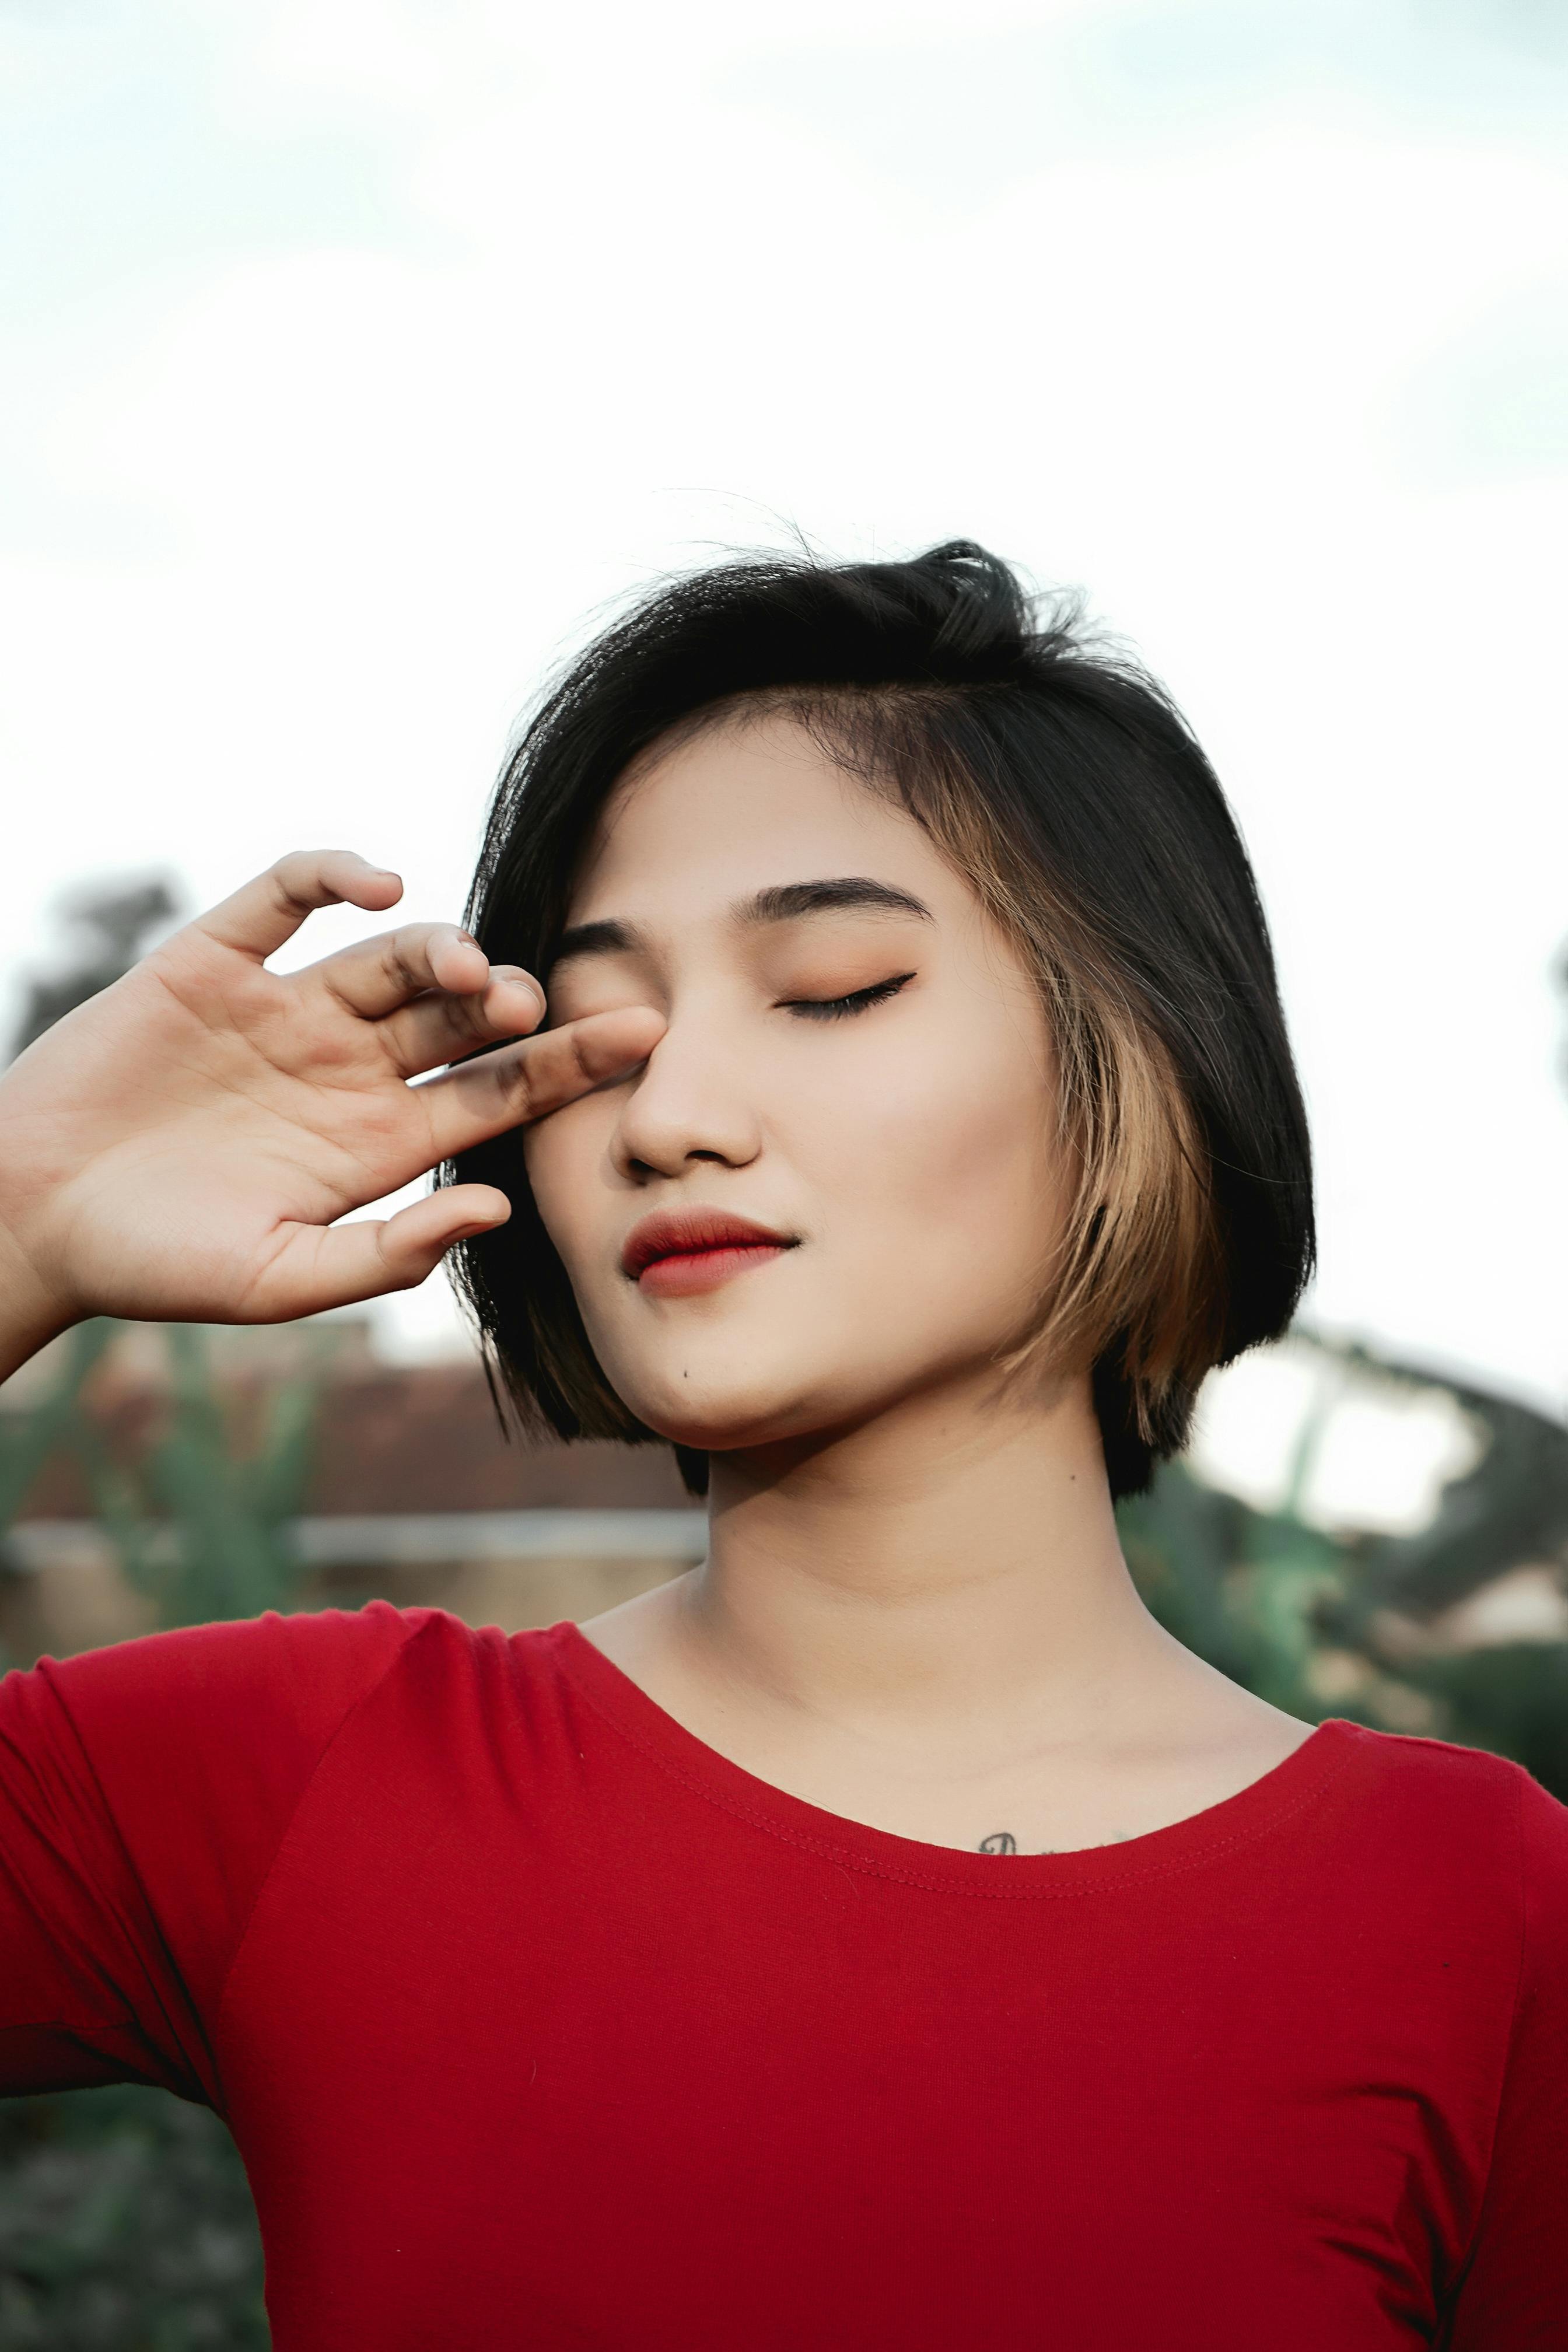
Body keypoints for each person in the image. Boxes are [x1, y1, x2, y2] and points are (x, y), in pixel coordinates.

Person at [0, 542, 1560, 2349]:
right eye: (597, 1036)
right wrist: (20, 1221)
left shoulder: (1479, 1919)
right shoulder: (290, 1781)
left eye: (828, 989)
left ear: (1135, 1054)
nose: (670, 1115)